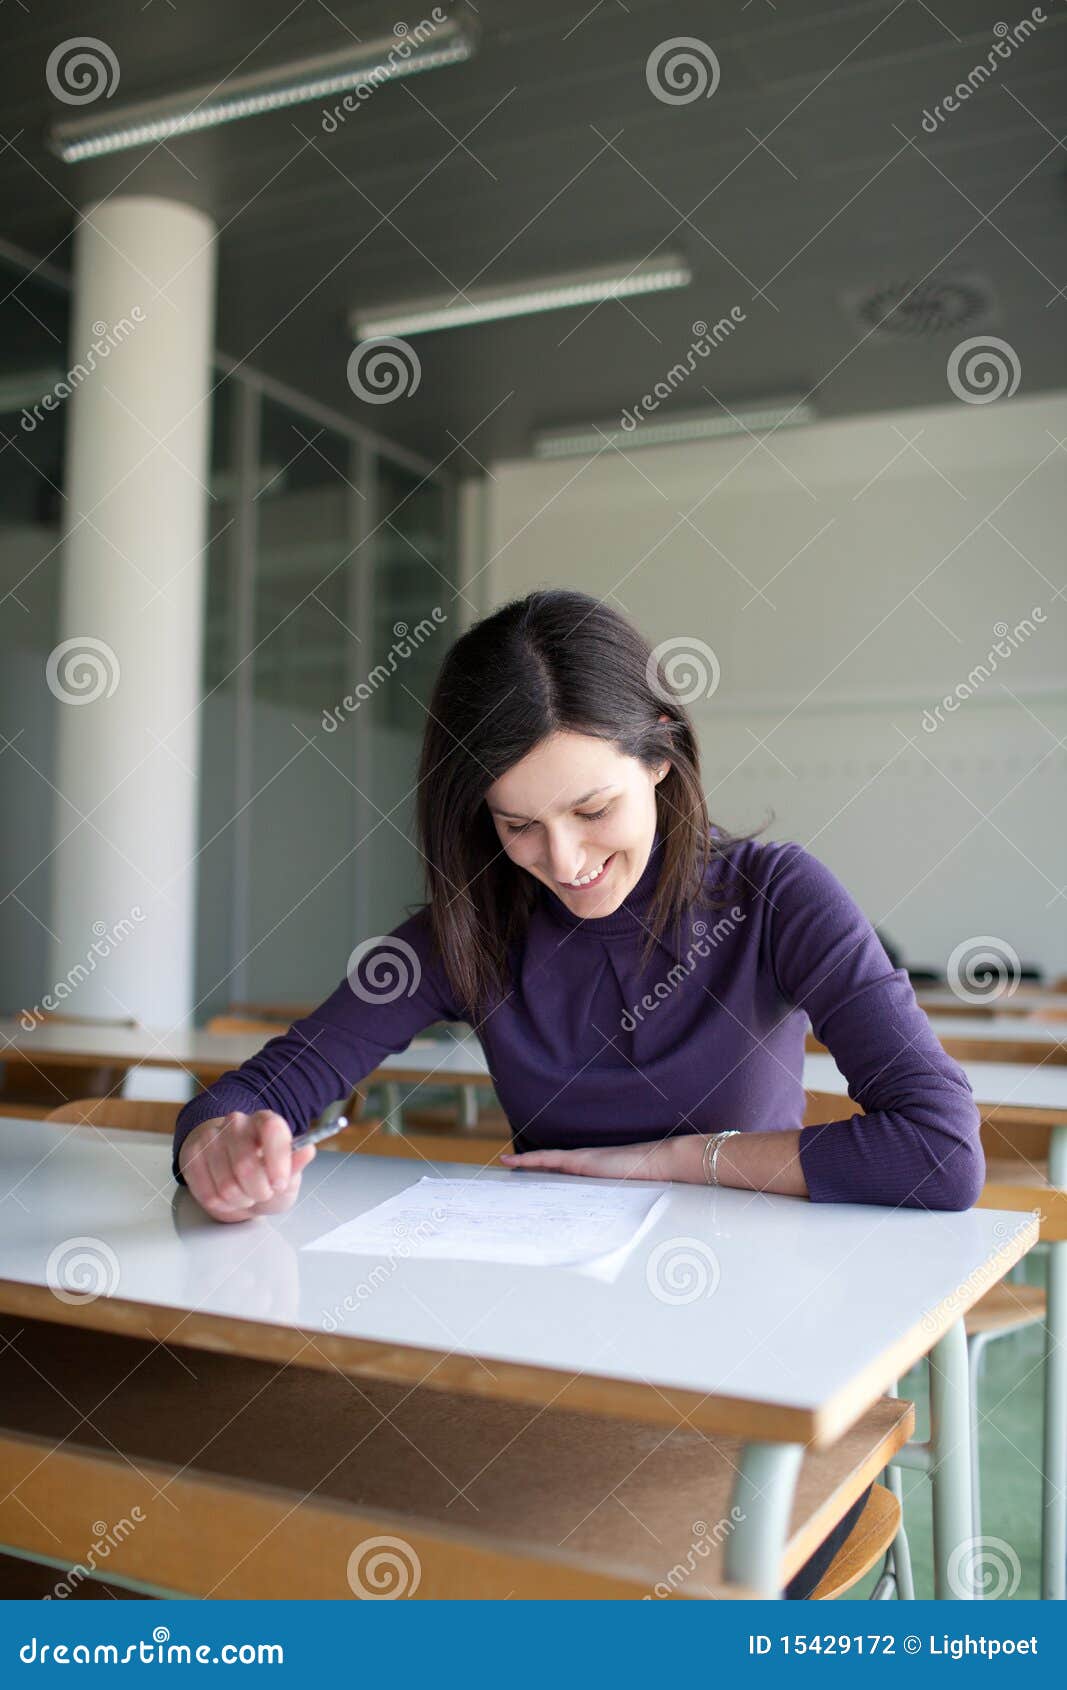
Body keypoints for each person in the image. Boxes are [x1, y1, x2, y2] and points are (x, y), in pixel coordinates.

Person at [173, 588, 984, 1598]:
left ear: (659, 755)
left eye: (591, 809)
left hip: (748, 1381)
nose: (563, 861)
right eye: (516, 824)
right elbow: (263, 1087)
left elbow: (941, 1153)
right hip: (543, 1370)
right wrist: (216, 1145)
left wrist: (679, 1160)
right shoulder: (465, 929)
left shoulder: (773, 895)